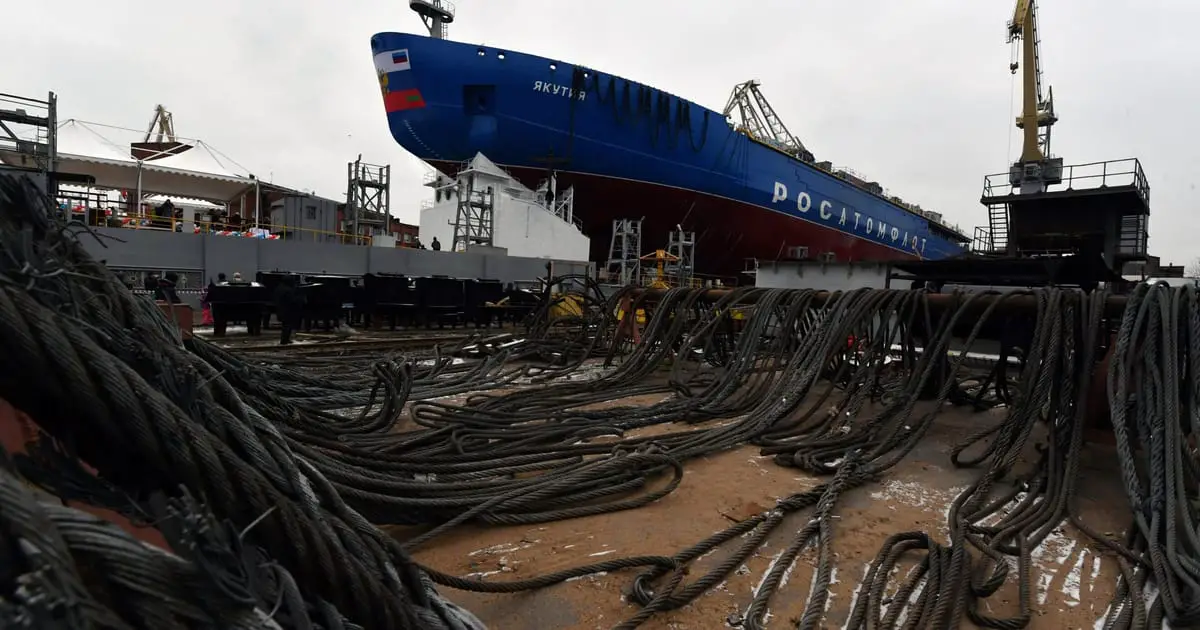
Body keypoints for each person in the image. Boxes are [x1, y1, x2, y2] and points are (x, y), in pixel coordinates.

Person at [273, 275, 305, 345]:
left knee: (285, 326)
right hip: (288, 311)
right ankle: (284, 340)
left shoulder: (279, 288)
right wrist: (300, 298)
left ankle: (286, 339)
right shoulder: (288, 290)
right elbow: (292, 300)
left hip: (281, 309)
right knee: (287, 326)